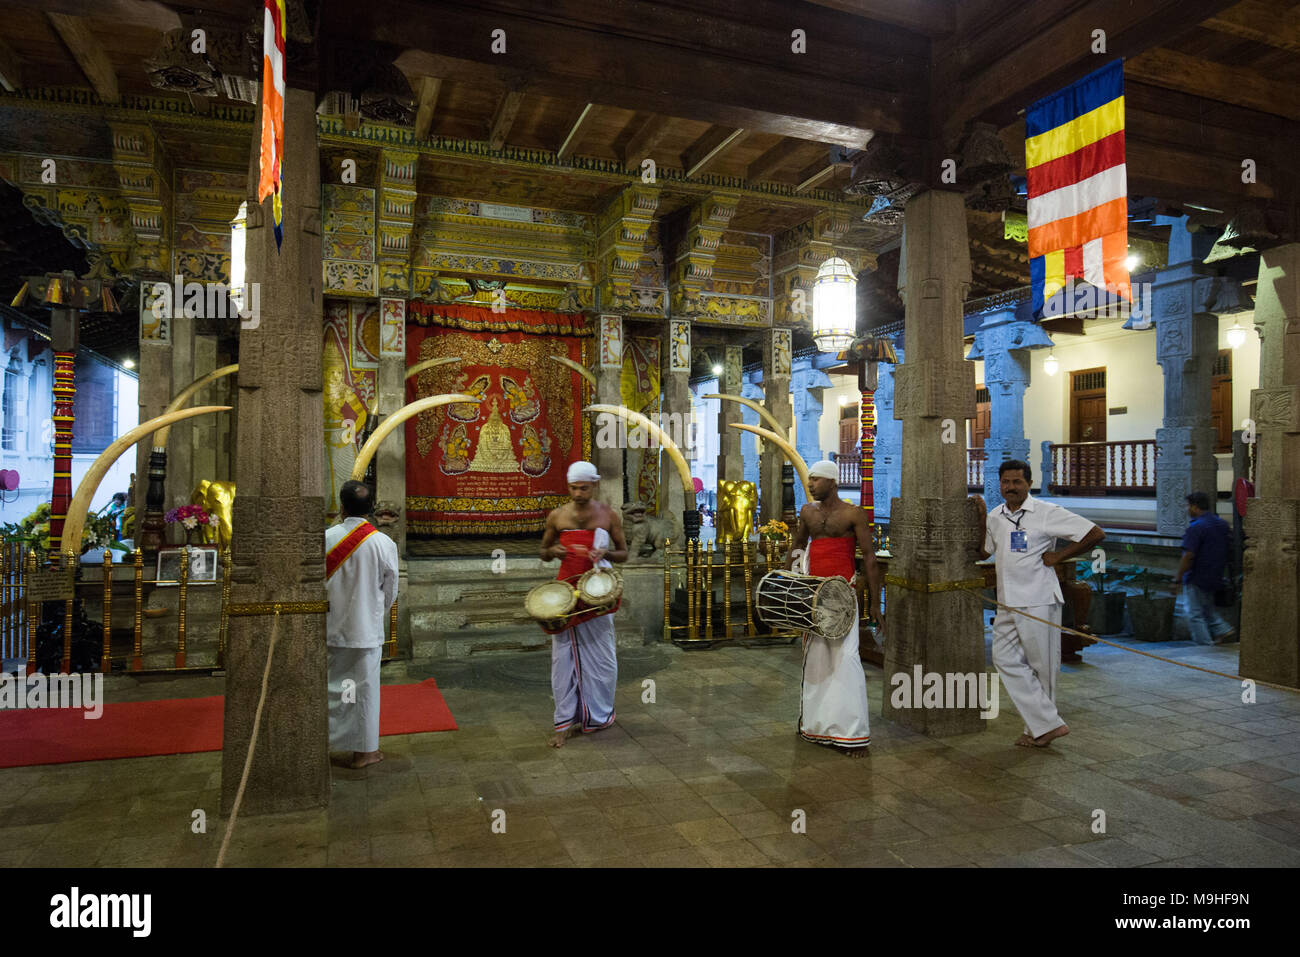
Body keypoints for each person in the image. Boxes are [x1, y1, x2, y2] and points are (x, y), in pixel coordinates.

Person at [977, 460, 1104, 748]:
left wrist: (1059, 557)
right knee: (1004, 659)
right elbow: (984, 551)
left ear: (1029, 484)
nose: (1010, 487)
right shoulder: (996, 516)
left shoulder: (1046, 513)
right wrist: (979, 516)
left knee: (1042, 666)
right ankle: (1047, 723)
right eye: (1006, 482)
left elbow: (1095, 533)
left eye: (1017, 482)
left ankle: (1038, 729)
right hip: (1007, 601)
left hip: (1038, 601)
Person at [785, 460, 883, 756]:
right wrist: (784, 582)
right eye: (810, 480)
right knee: (816, 660)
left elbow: (869, 558)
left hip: (843, 595)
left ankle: (853, 734)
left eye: (816, 480)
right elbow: (798, 546)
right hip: (814, 595)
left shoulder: (853, 514)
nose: (811, 484)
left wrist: (876, 603)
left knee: (846, 660)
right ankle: (817, 727)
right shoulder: (808, 512)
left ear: (832, 481)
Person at [539, 461, 628, 747]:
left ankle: (598, 715)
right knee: (562, 660)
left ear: (594, 485)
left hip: (597, 592)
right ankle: (563, 723)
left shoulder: (608, 515)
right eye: (574, 488)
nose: (578, 493)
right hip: (566, 593)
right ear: (568, 487)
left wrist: (607, 553)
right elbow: (543, 551)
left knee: (602, 659)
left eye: (584, 488)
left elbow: (624, 553)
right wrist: (553, 550)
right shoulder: (557, 516)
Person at [325, 480, 399, 769]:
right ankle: (365, 753)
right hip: (366, 630)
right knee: (364, 691)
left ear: (342, 507)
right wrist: (373, 613)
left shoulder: (326, 538)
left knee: (334, 688)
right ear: (372, 509)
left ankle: (328, 743)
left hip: (330, 625)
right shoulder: (383, 543)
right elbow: (390, 590)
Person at [1173, 491, 1235, 645]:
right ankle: (1222, 629)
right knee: (1206, 607)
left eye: (1187, 506)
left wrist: (1178, 578)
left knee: (1194, 613)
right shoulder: (1221, 524)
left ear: (1194, 507)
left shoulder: (1196, 527)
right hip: (1216, 573)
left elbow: (1188, 555)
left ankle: (1204, 645)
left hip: (1197, 574)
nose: (1187, 509)